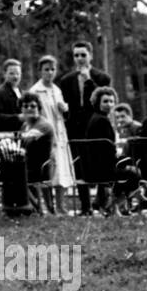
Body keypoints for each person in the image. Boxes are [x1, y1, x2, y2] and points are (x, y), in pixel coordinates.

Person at [57, 40, 112, 215]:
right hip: (75, 128)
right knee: (79, 166)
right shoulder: (66, 80)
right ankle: (85, 206)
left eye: (83, 55)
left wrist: (88, 80)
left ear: (90, 56)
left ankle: (102, 203)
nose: (79, 58)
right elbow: (67, 105)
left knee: (100, 163)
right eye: (76, 55)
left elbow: (103, 100)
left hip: (96, 126)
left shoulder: (102, 78)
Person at [30, 55, 77, 214]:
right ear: (40, 71)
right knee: (47, 171)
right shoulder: (35, 91)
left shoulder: (57, 90)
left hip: (60, 135)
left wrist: (64, 109)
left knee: (61, 172)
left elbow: (62, 115)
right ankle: (49, 207)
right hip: (45, 135)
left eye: (52, 69)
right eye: (46, 69)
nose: (50, 73)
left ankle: (61, 206)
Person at [82, 86, 119, 215]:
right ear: (98, 102)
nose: (109, 104)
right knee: (133, 174)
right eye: (105, 101)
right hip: (101, 169)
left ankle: (99, 201)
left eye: (111, 101)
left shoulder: (96, 117)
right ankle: (111, 205)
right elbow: (107, 150)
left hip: (93, 166)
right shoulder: (102, 120)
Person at [17, 91, 54, 214]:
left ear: (38, 108)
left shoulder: (43, 125)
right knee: (9, 171)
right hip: (27, 165)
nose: (29, 108)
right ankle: (33, 208)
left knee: (14, 175)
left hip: (40, 167)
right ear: (21, 108)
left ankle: (38, 208)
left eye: (33, 106)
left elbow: (28, 141)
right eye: (25, 106)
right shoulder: (25, 126)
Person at [0, 59, 25, 134]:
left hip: (21, 135)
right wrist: (18, 118)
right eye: (11, 74)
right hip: (3, 136)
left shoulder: (23, 93)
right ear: (4, 74)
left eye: (18, 73)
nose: (15, 77)